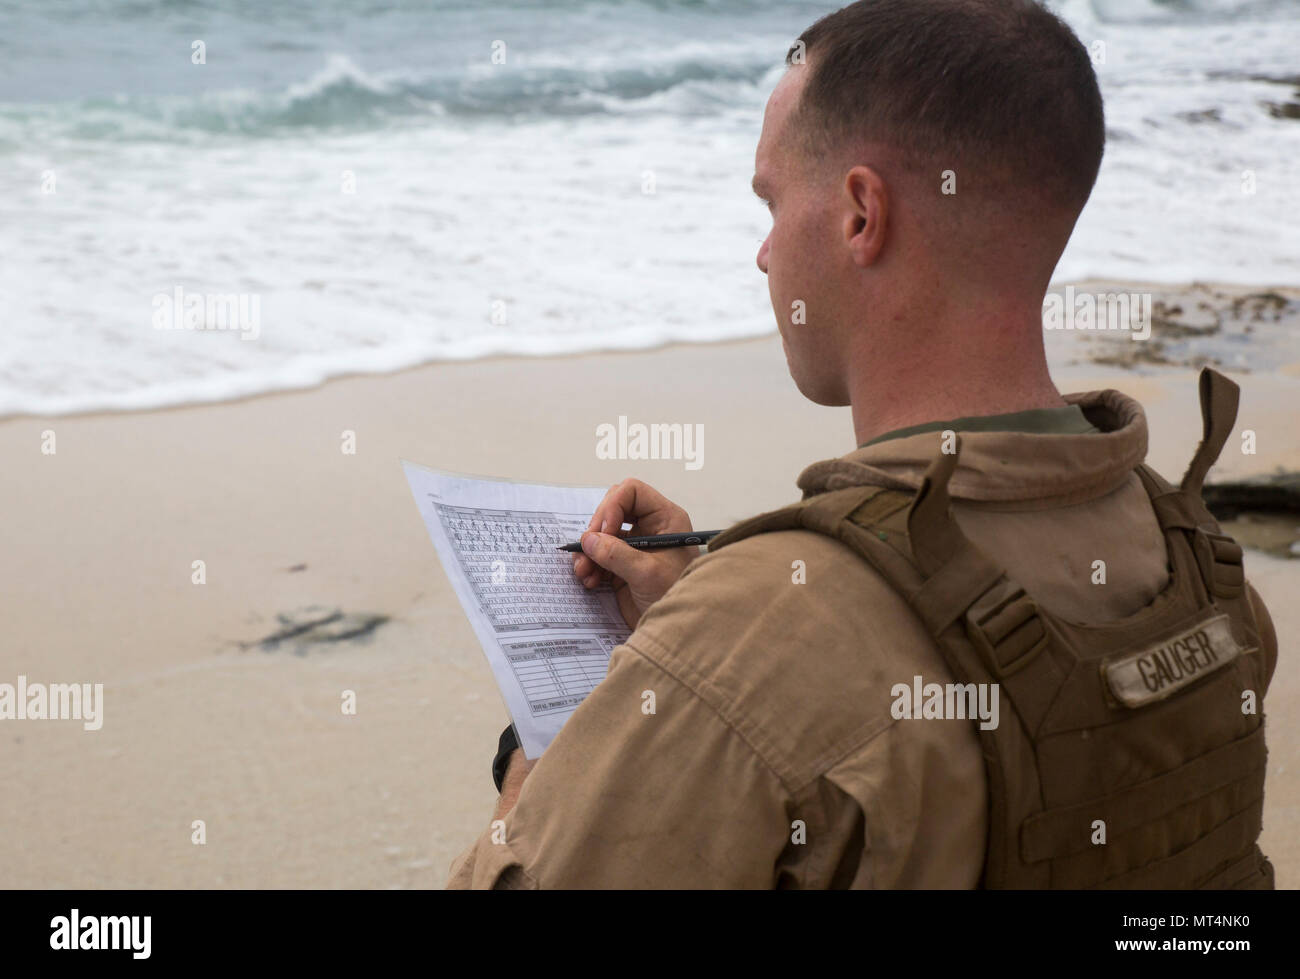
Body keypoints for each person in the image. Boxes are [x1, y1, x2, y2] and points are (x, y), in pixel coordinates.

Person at [446, 0, 1277, 888]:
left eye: (771, 201)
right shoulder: (1202, 571)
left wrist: (555, 760)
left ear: (858, 214)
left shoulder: (751, 644)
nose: (764, 255)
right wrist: (705, 637)